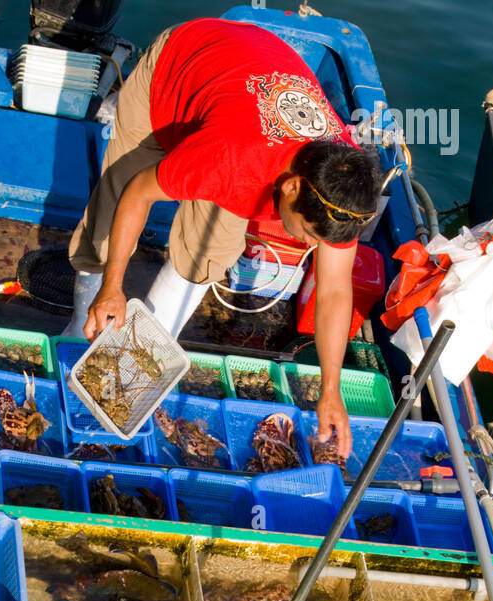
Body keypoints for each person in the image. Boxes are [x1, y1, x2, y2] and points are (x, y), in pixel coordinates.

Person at [66, 17, 382, 456]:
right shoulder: (232, 162)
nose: (312, 247)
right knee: (114, 202)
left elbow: (332, 289)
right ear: (291, 188)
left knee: (211, 250)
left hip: (247, 87)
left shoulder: (340, 187)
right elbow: (139, 194)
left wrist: (331, 390)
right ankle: (83, 318)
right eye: (310, 234)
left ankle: (140, 356)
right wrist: (113, 286)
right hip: (180, 68)